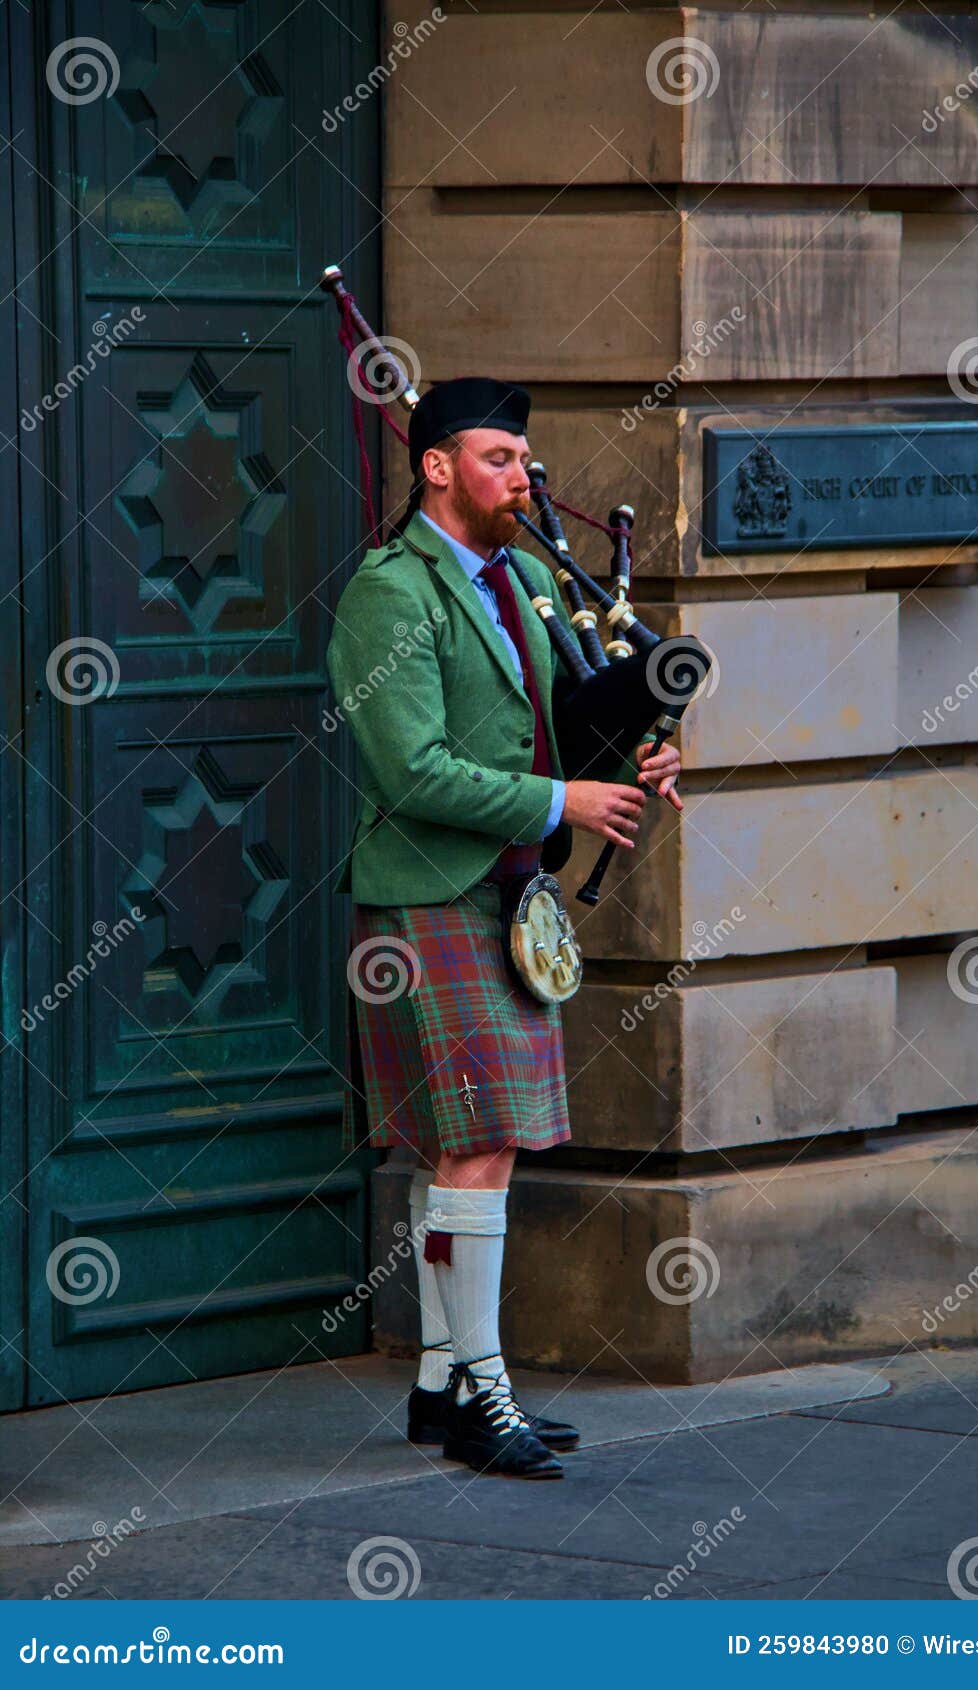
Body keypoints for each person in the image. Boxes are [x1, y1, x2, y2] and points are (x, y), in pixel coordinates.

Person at [327, 377, 683, 1480]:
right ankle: (483, 1392)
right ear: (434, 466)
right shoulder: (392, 594)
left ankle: (442, 1386)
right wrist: (560, 805)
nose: (520, 478)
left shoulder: (527, 577)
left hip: (509, 893)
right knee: (477, 1143)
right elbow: (410, 768)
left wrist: (631, 763)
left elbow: (562, 725)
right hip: (429, 891)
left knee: (469, 1149)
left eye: (525, 459)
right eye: (495, 457)